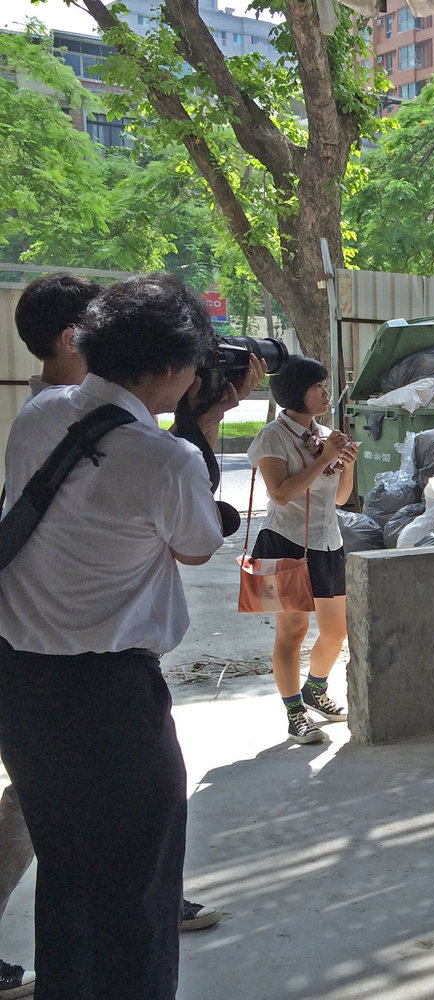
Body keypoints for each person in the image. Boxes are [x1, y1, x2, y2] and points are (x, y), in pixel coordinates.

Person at [0, 272, 230, 999]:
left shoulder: (36, 418)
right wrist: (203, 428)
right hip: (110, 701)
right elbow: (197, 546)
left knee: (66, 874)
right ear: (171, 367)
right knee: (136, 892)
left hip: (23, 689)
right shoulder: (165, 458)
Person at [247, 356, 358, 744]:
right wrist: (326, 458)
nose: (326, 394)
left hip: (328, 543)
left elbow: (341, 499)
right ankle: (294, 711)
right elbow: (280, 494)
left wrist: (345, 465)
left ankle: (315, 688)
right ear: (296, 394)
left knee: (336, 630)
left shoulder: (326, 435)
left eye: (325, 386)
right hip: (284, 543)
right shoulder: (272, 437)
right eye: (318, 387)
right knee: (292, 630)